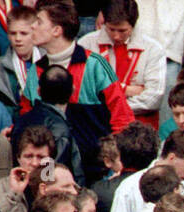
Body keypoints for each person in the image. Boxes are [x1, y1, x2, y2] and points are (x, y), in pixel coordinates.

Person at [25, 0, 135, 180]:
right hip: (50, 174)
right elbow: (27, 116)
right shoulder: (35, 71)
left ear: (56, 30)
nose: (32, 27)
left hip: (96, 173)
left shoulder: (96, 65)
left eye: (38, 21)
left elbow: (122, 117)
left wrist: (114, 164)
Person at [80, 0, 167, 127]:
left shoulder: (153, 49)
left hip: (138, 128)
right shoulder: (86, 44)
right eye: (111, 29)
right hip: (97, 126)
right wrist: (126, 90)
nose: (116, 36)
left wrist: (111, 106)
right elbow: (81, 89)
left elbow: (153, 98)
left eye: (122, 31)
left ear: (133, 25)